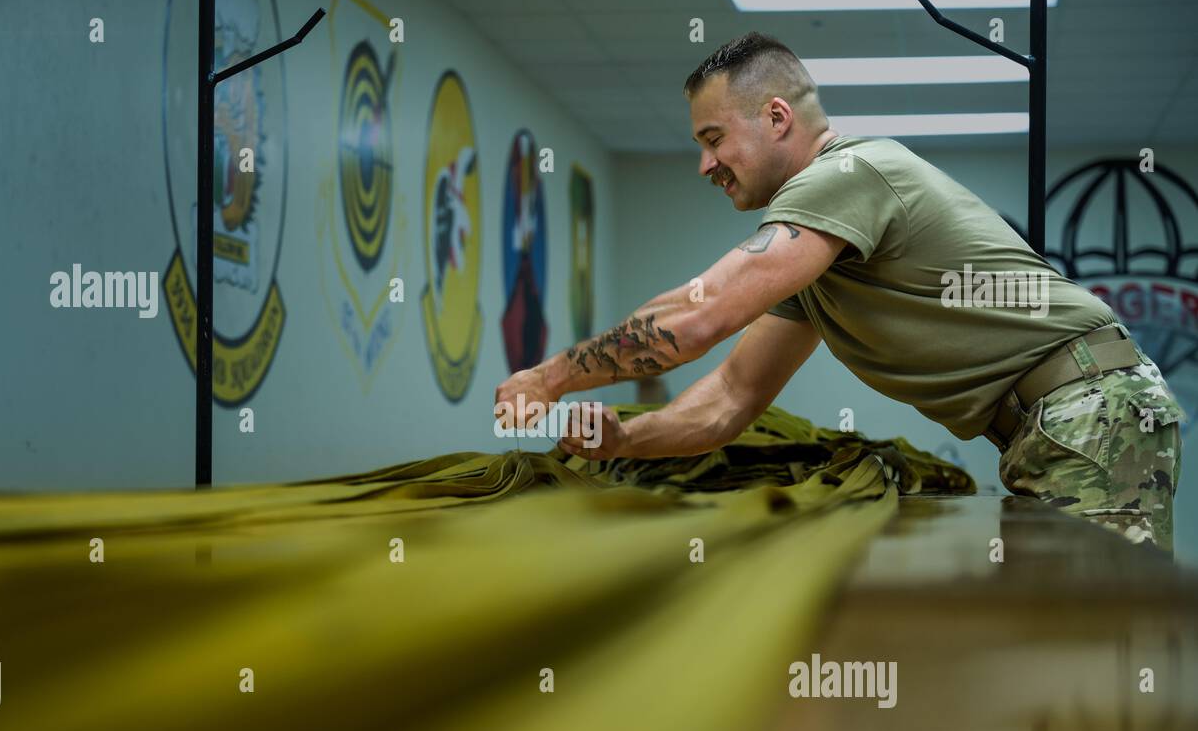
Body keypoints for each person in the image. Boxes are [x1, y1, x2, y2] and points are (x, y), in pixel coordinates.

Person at [494, 32, 1185, 553]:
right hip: (1058, 420)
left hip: (1089, 405)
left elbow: (702, 316)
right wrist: (621, 441)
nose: (705, 165)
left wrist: (550, 377)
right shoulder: (823, 261)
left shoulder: (851, 173)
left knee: (1095, 646)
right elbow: (728, 402)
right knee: (1065, 642)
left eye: (714, 139)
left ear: (776, 118)